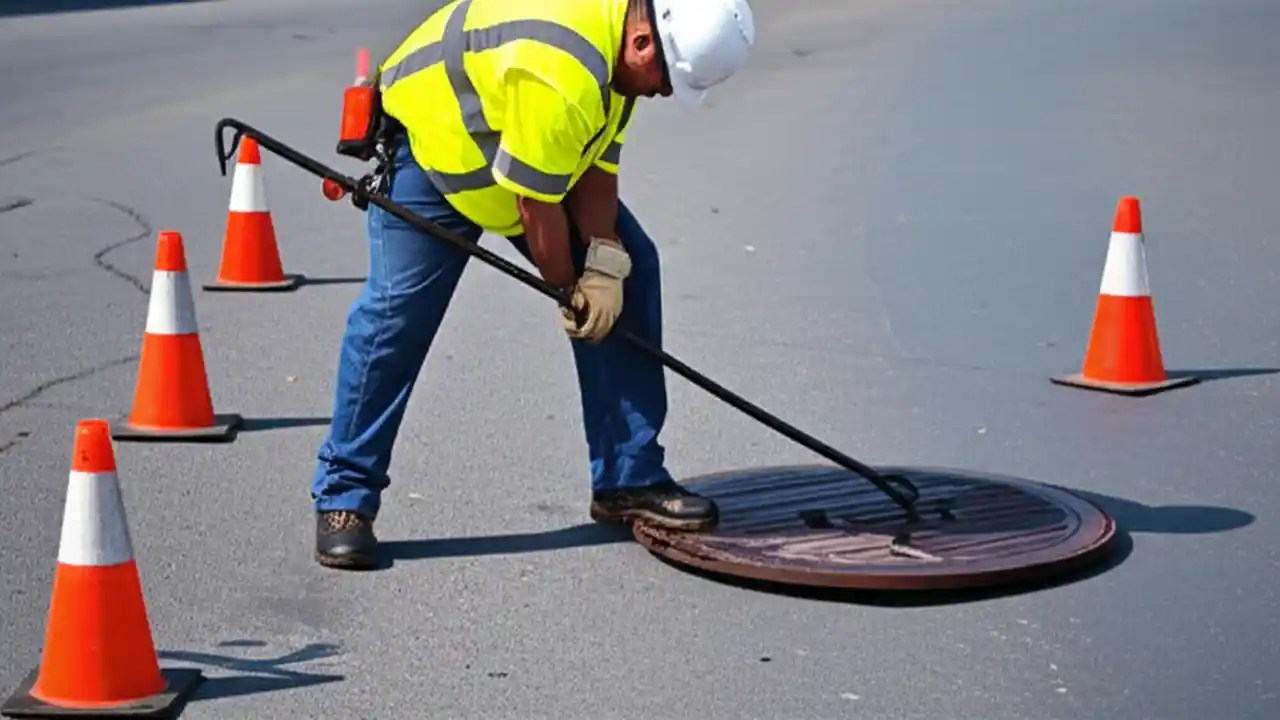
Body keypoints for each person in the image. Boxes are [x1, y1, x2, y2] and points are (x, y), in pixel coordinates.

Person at [310, 0, 756, 569]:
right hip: (432, 153)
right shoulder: (563, 67)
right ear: (644, 45)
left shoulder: (621, 47)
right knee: (395, 318)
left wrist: (607, 261)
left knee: (632, 267)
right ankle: (344, 498)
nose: (664, 94)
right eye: (667, 83)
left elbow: (596, 167)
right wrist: (572, 290)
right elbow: (536, 204)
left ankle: (628, 476)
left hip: (517, 146)